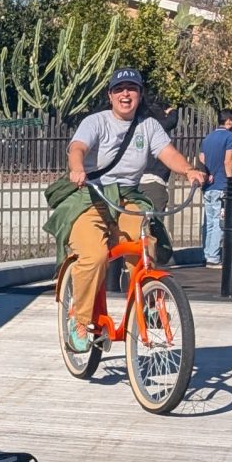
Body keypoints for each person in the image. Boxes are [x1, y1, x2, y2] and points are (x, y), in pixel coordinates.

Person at [48, 69, 206, 342]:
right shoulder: (96, 122)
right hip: (91, 194)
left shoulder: (149, 126)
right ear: (110, 95)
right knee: (94, 256)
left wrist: (189, 170)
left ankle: (146, 304)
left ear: (140, 94)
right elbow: (77, 149)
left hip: (129, 197)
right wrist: (76, 169)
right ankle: (81, 320)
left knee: (145, 241)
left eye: (131, 89)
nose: (125, 94)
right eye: (119, 89)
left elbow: (167, 153)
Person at [198, 109, 232, 267]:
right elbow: (228, 160)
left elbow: (201, 159)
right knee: (219, 222)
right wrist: (230, 181)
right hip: (221, 183)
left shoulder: (208, 138)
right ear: (229, 121)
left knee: (209, 221)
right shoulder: (231, 137)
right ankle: (213, 257)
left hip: (208, 184)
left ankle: (206, 253)